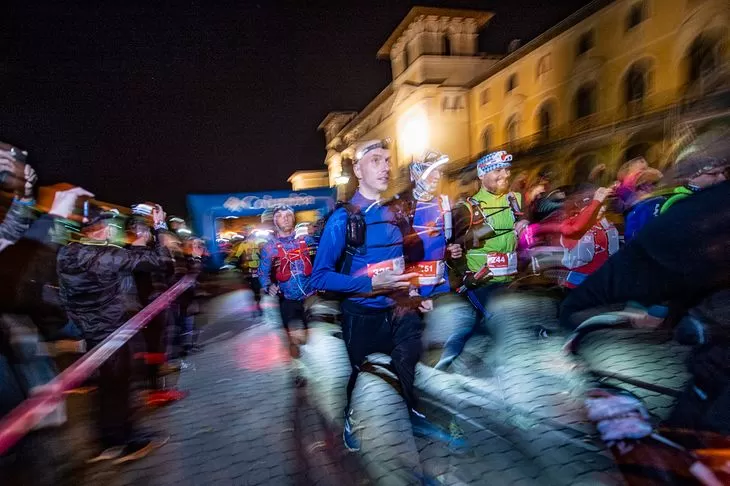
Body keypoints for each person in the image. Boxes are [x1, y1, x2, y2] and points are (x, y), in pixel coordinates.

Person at [310, 138, 430, 452]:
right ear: (359, 171)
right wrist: (369, 286)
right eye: (376, 160)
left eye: (388, 160)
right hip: (361, 314)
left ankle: (410, 412)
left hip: (399, 308)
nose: (386, 167)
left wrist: (415, 287)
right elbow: (319, 276)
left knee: (408, 359)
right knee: (359, 371)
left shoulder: (396, 213)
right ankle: (350, 418)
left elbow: (406, 257)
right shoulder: (344, 218)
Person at [57, 203, 172, 464]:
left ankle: (106, 442)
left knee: (106, 388)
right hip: (115, 331)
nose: (110, 228)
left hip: (91, 333)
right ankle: (125, 442)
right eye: (106, 224)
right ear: (98, 229)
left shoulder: (65, 254)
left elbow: (63, 297)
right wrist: (160, 227)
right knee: (120, 386)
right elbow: (160, 261)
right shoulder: (107, 256)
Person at [444, 151, 527, 362]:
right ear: (481, 174)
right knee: (490, 326)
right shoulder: (466, 209)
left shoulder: (514, 199)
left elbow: (522, 235)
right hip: (481, 284)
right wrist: (465, 275)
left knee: (497, 330)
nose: (505, 175)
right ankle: (449, 360)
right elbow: (451, 249)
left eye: (507, 170)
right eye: (498, 170)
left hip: (510, 281)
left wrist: (524, 228)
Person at [395, 150, 473, 371]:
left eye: (440, 171)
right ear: (417, 173)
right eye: (432, 171)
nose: (438, 176)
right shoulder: (404, 208)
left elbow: (447, 241)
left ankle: (443, 379)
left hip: (441, 284)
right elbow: (396, 253)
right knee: (416, 342)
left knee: (445, 336)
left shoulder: (445, 205)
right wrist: (410, 291)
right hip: (414, 288)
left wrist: (452, 249)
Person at [258, 204, 316, 382]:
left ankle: (311, 360)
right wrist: (268, 286)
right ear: (275, 221)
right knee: (293, 337)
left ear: (294, 218)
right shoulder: (270, 247)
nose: (285, 218)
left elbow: (324, 258)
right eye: (280, 215)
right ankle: (298, 370)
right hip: (287, 299)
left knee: (308, 337)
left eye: (288, 215)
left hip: (311, 296)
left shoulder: (307, 240)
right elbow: (262, 272)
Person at [521, 184, 618, 288]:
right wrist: (596, 202)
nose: (602, 208)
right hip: (577, 285)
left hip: (602, 284)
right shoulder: (570, 223)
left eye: (604, 204)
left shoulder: (608, 227)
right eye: (598, 204)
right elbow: (575, 229)